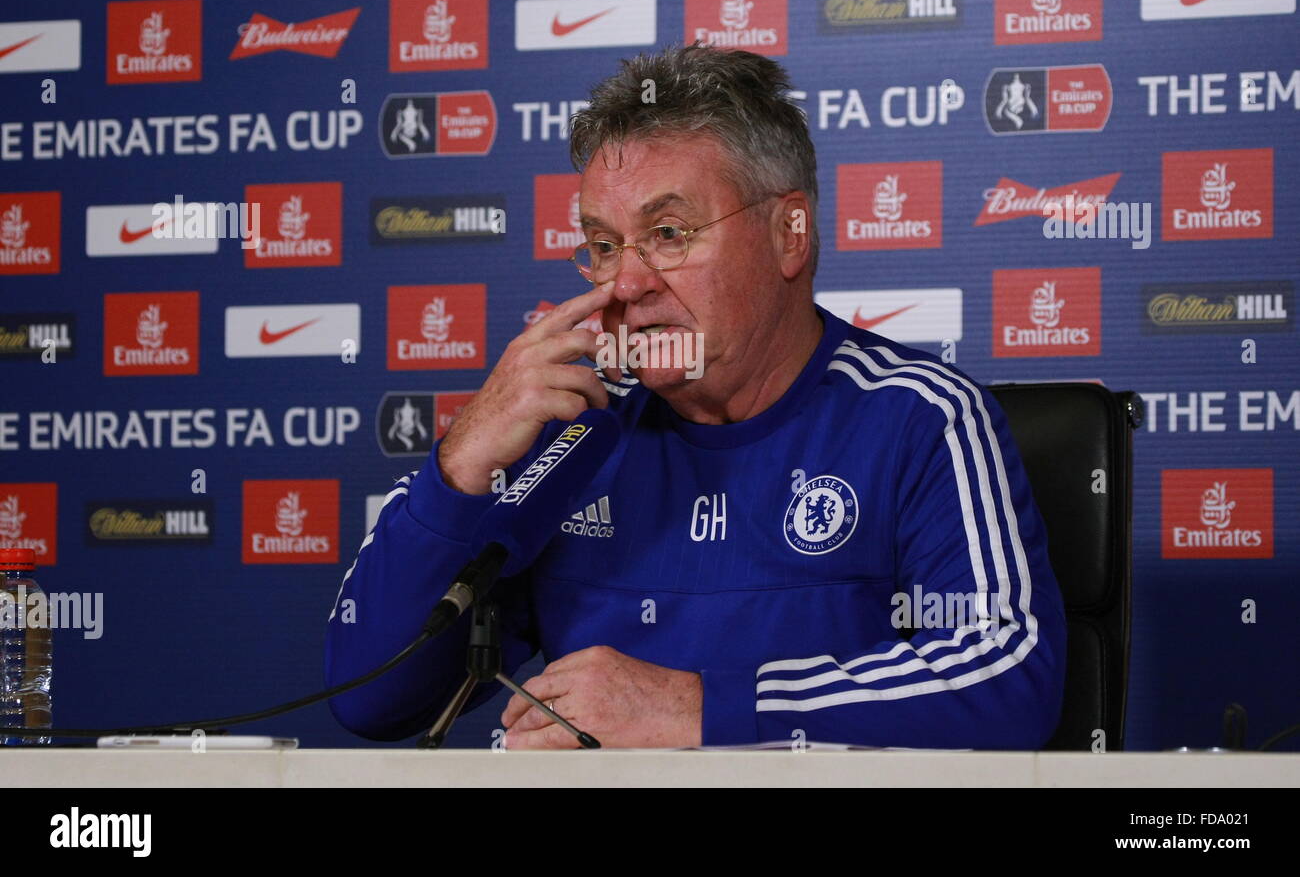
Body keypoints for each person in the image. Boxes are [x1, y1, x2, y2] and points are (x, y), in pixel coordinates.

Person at [325, 43, 1067, 749]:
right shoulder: (577, 436)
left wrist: (697, 709)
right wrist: (461, 469)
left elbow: (1007, 676)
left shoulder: (918, 418)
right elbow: (372, 696)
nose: (626, 283)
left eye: (670, 233)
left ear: (789, 235)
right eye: (605, 245)